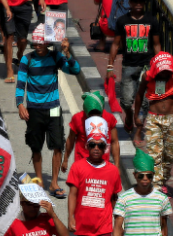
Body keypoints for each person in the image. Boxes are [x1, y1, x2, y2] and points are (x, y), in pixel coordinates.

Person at [16, 24, 80, 199]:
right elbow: (21, 84)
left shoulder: (55, 57)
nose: (37, 46)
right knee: (35, 146)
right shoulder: (26, 60)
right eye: (35, 43)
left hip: (53, 109)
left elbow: (75, 70)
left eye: (41, 43)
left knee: (57, 145)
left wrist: (67, 53)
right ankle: (40, 181)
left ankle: (53, 182)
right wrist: (19, 104)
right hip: (34, 110)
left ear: (47, 44)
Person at [107, 0, 161, 139]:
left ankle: (139, 128)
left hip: (147, 66)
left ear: (144, 3)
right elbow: (116, 44)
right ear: (129, 3)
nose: (138, 4)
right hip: (129, 66)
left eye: (141, 2)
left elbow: (156, 44)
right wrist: (110, 65)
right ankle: (130, 115)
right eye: (135, 1)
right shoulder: (123, 21)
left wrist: (159, 64)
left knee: (145, 101)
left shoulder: (152, 21)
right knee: (125, 101)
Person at [132, 52, 173, 196]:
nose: (165, 75)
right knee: (154, 155)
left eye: (167, 72)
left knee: (168, 155)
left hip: (172, 119)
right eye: (162, 72)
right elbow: (139, 95)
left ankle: (162, 180)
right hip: (153, 119)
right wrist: (137, 115)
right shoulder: (147, 76)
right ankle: (156, 188)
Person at [66, 132, 121, 236]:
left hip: (104, 227)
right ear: (87, 146)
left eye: (100, 145)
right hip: (82, 226)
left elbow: (114, 198)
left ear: (105, 148)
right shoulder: (77, 167)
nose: (96, 148)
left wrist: (118, 224)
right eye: (92, 145)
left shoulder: (113, 170)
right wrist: (71, 217)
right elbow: (72, 194)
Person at [114, 150, 172, 236]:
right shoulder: (124, 199)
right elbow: (118, 228)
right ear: (135, 175)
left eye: (149, 176)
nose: (145, 178)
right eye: (141, 176)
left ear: (153, 175)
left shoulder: (162, 199)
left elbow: (163, 227)